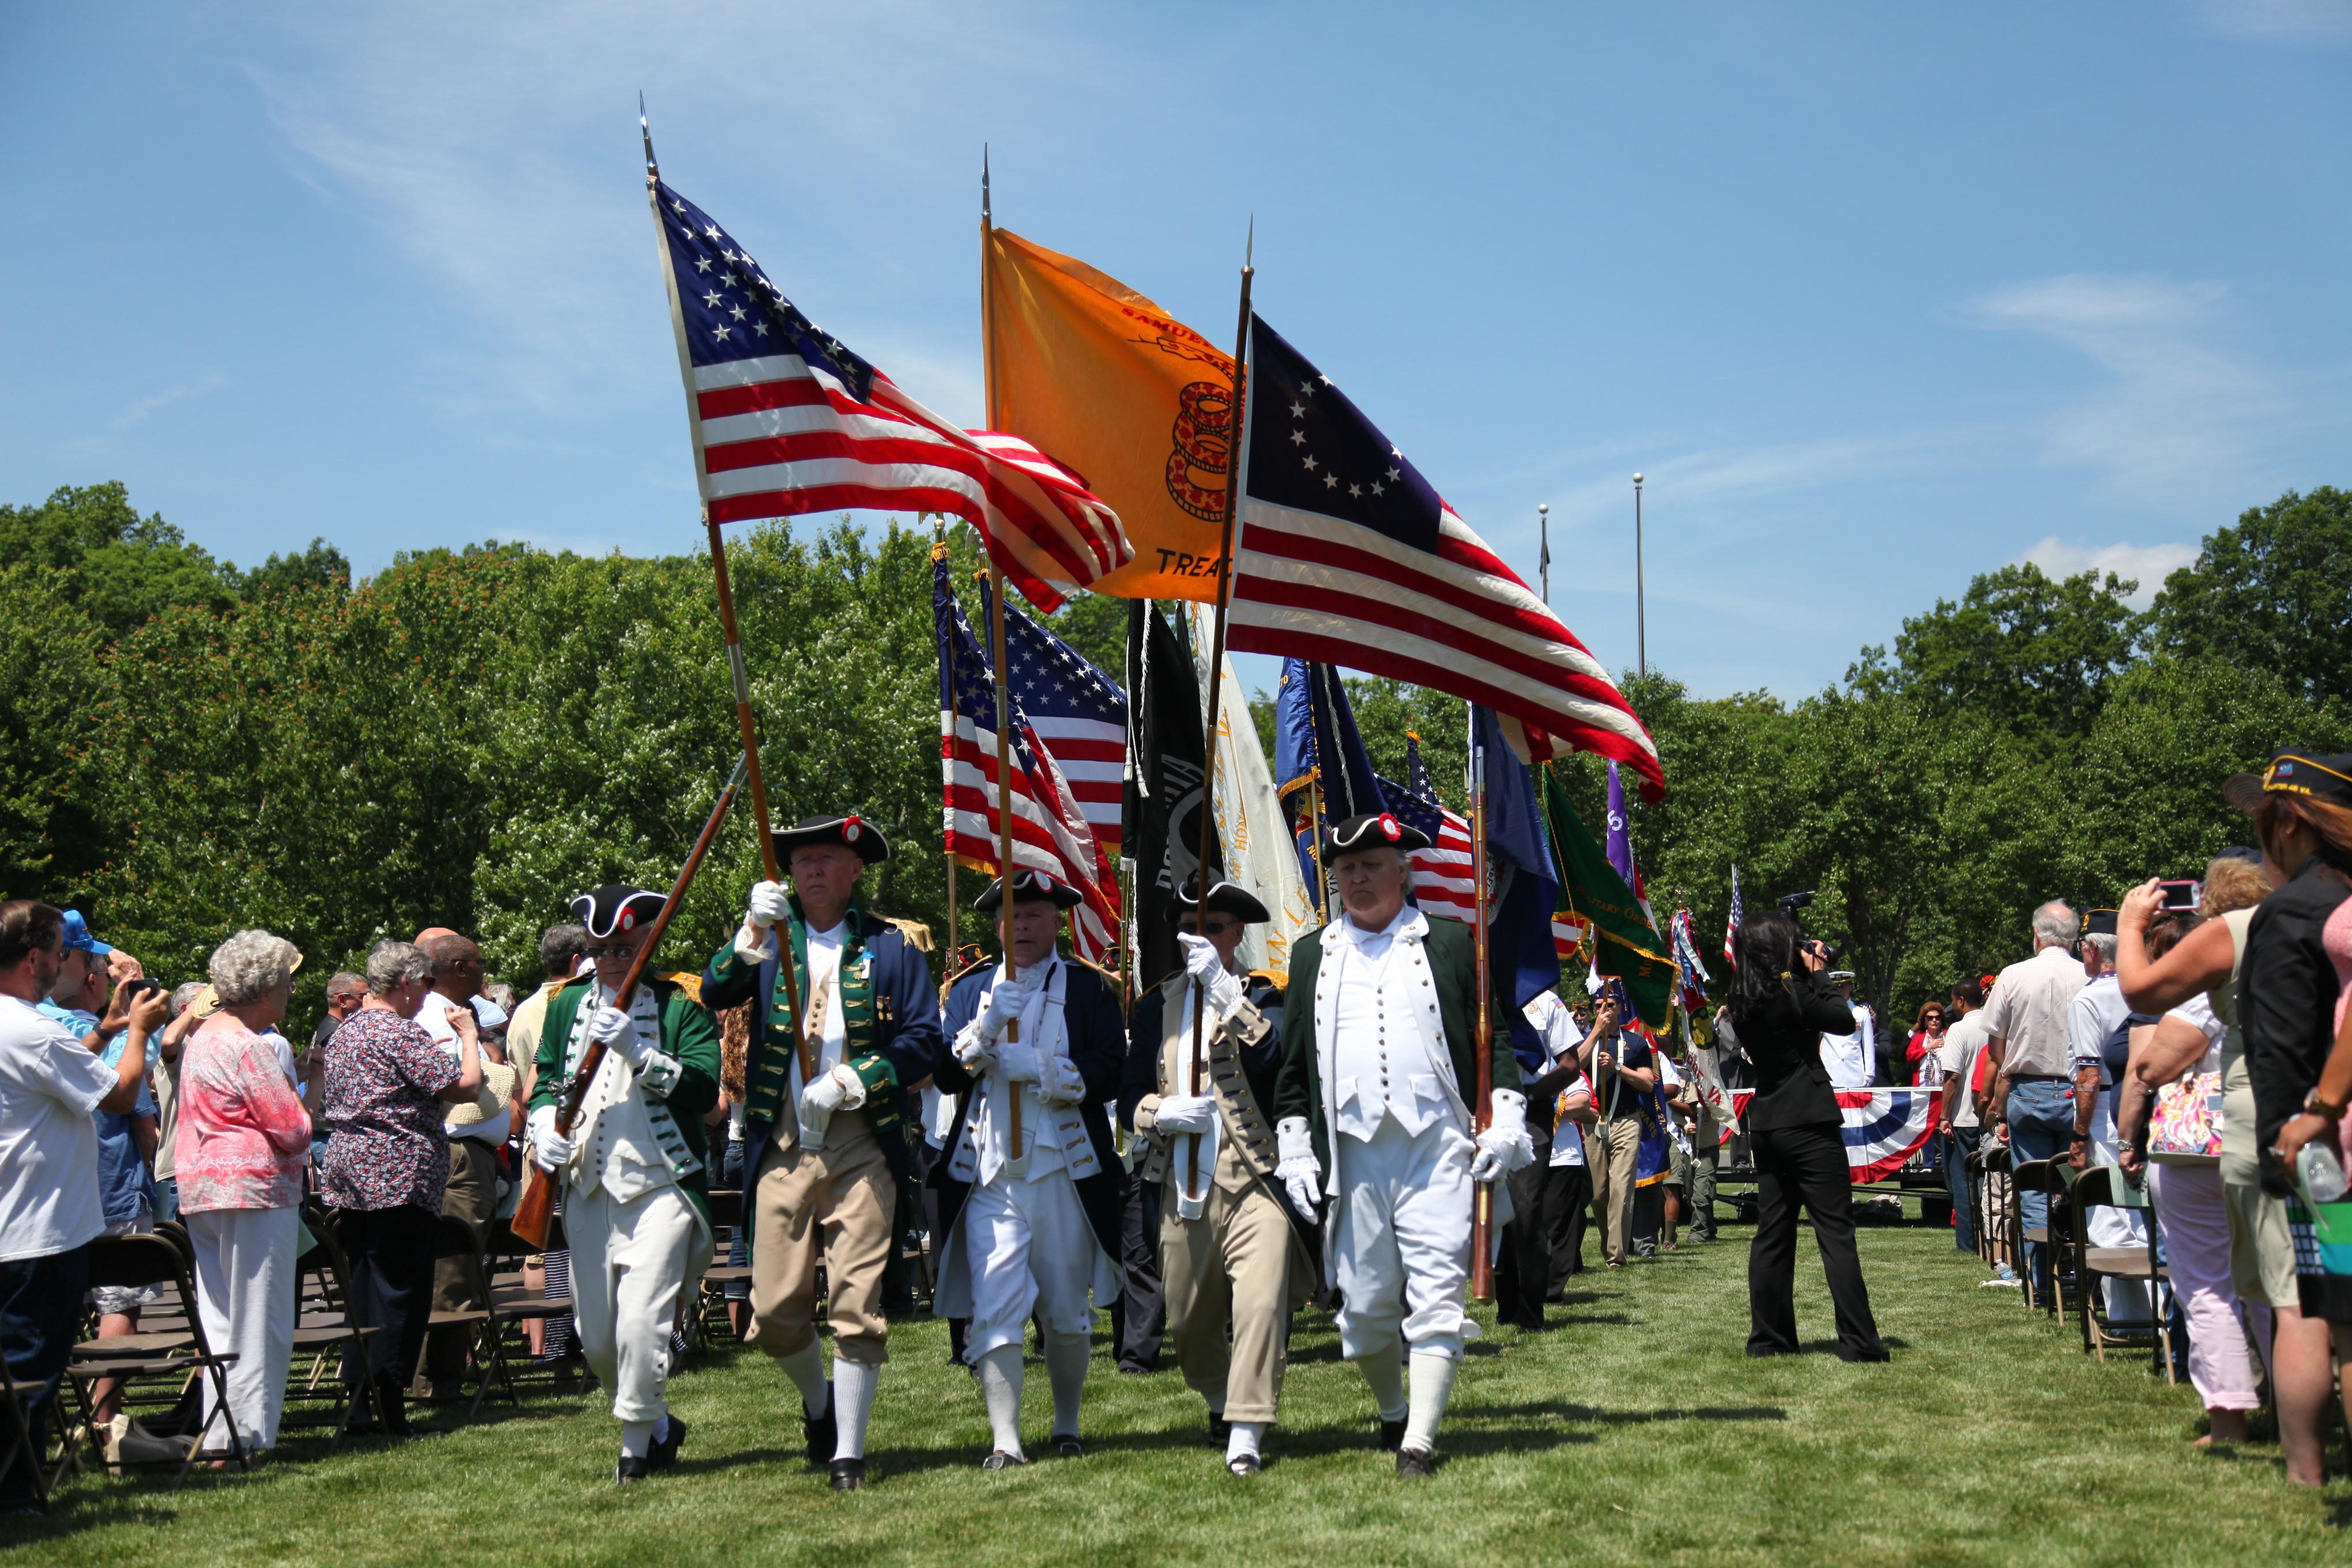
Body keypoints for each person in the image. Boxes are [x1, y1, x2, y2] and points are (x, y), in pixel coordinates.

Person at [1271, 812, 1533, 1478]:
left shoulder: (1447, 940)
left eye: (1371, 865)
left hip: (1437, 1146)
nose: (1357, 878)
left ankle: (1419, 1439)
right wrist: (1296, 1143)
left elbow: (1492, 1038)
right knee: (1362, 1310)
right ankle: (1393, 1407)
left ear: (1403, 870)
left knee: (1437, 1292)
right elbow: (1295, 1065)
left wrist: (1504, 1118)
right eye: (1346, 868)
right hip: (1354, 1154)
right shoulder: (1311, 955)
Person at [700, 813, 940, 1491]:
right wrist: (747, 933)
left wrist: (856, 1077)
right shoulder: (772, 943)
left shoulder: (892, 948)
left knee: (857, 1300)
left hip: (863, 1141)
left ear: (855, 871)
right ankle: (820, 1405)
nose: (811, 870)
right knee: (774, 1313)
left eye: (827, 858)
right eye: (801, 859)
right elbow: (715, 993)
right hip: (782, 1144)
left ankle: (849, 1455)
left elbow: (924, 1038)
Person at [526, 885, 720, 1485]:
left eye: (627, 949)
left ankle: (634, 1449)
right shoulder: (566, 1005)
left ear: (649, 945)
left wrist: (640, 1050)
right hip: (586, 1187)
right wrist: (541, 1129)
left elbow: (704, 1090)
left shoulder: (679, 1005)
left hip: (660, 1185)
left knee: (642, 1324)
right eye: (603, 950)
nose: (613, 961)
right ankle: (661, 1424)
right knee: (598, 1340)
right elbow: (544, 1083)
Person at [933, 869, 1126, 1470]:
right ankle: (1005, 1439)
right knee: (996, 1307)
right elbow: (944, 1072)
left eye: (1034, 916)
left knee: (1068, 1313)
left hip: (1065, 1170)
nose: (1021, 926)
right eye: (1011, 917)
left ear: (1055, 922)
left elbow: (1112, 1069)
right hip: (992, 1174)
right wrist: (986, 1029)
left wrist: (1044, 1067)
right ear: (996, 924)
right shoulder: (968, 991)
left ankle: (1066, 1422)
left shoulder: (1092, 989)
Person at [1120, 877, 1312, 1476]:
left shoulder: (1264, 993)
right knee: (1187, 1318)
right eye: (1192, 928)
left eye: (1216, 927)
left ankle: (1247, 1434)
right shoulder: (1156, 1004)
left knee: (1259, 1305)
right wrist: (1158, 1111)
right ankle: (1218, 1400)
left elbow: (1279, 1057)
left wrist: (1228, 994)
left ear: (1237, 935)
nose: (1202, 938)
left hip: (1256, 1173)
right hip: (1182, 1179)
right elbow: (1130, 1091)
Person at [0, 901, 160, 1505]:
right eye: (61, 953)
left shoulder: (20, 1028)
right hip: (38, 1230)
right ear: (37, 956)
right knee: (30, 1373)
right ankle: (17, 1498)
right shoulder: (31, 1027)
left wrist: (110, 1028)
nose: (63, 964)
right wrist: (141, 1028)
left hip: (11, 1222)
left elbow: (57, 1076)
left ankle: (23, 1488)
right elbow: (118, 1096)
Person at [2226, 749, 2352, 1482]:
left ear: (2287, 818)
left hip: (2323, 1149)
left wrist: (2283, 1145)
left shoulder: (2293, 910)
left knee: (2313, 1308)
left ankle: (2307, 1469)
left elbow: (2278, 1043)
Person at [2117, 883, 2265, 1447]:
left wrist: (2129, 1132)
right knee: (2288, 1280)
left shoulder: (2215, 973)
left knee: (2210, 1283)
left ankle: (2229, 1417)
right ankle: (2305, 1413)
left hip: (2206, 1143)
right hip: (2299, 1128)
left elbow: (2152, 1065)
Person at [318, 938, 481, 1437]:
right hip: (398, 1175)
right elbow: (466, 1087)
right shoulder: (397, 1032)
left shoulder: (345, 1032)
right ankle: (386, 1404)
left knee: (365, 1289)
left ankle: (361, 1399)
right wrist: (468, 1037)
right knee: (399, 1292)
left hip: (351, 1174)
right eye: (428, 983)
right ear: (408, 983)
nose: (429, 994)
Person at [1724, 908, 1887, 1362]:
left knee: (1772, 1233)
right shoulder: (1792, 992)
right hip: (1810, 1121)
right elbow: (1842, 1019)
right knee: (1835, 1231)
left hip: (1770, 1120)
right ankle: (1859, 1342)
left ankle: (1769, 1338)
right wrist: (1821, 975)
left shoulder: (1741, 999)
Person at [176, 929, 314, 1460]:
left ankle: (221, 1435)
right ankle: (250, 1437)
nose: (291, 994)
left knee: (220, 1319)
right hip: (256, 1189)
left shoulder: (202, 1038)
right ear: (263, 991)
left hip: (203, 1187)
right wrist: (304, 1110)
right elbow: (293, 1128)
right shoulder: (248, 1046)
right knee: (263, 1317)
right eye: (285, 984)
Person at [1982, 900, 2088, 1297]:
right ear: (2075, 939)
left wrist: (2009, 1067)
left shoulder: (2013, 976)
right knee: (2077, 1185)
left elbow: (1996, 1042)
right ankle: (2082, 1275)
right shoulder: (2087, 975)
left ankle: (2043, 1284)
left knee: (2033, 1188)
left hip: (2028, 1090)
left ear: (2037, 935)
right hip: (2079, 1092)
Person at [2065, 910, 2148, 1321]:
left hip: (2105, 1113)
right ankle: (2156, 1313)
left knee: (2110, 1218)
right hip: (2145, 1106)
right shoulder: (2147, 989)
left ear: (2093, 949)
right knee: (2145, 1217)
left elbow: (2089, 1074)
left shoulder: (2089, 998)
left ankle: (2132, 1317)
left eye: (2082, 948)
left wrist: (2079, 1136)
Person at [1527, 990, 1599, 1295]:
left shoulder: (1563, 1069)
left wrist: (1537, 1105)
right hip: (1525, 1155)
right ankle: (1530, 1284)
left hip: (1563, 1155)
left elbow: (1583, 1100)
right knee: (1529, 1223)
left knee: (1559, 1226)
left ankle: (1552, 1288)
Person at [1581, 992, 1655, 1269]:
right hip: (1594, 1123)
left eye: (1610, 1005)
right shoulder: (1585, 1041)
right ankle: (1608, 1243)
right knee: (1599, 1194)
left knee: (1621, 1191)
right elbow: (1573, 1065)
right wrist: (1595, 1033)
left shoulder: (1635, 1043)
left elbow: (1648, 1083)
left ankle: (1616, 1256)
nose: (1605, 1010)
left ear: (1620, 1008)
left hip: (1626, 1121)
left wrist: (1618, 1067)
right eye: (1599, 1006)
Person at [1936, 981, 1993, 1258]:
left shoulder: (1958, 1030)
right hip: (1990, 1117)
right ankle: (1992, 1240)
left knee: (1962, 1183)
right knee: (1989, 1183)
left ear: (1960, 1001)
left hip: (1963, 1118)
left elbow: (1953, 1077)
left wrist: (1944, 1116)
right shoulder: (1995, 1025)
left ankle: (1968, 1243)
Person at [1817, 971, 1877, 1090]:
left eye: (1842, 986)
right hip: (1830, 1073)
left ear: (1850, 986)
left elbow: (1868, 1046)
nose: (1839, 989)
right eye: (1836, 986)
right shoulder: (1824, 1011)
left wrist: (1869, 1074)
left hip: (1854, 1074)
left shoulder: (1862, 1013)